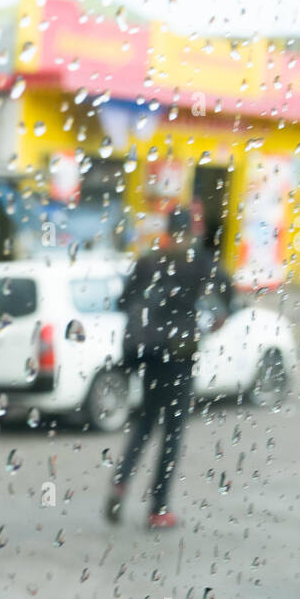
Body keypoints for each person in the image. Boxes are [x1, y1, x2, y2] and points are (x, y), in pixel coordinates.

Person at [106, 205, 233, 529]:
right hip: (180, 353)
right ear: (190, 230)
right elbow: (228, 293)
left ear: (166, 229)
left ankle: (121, 481)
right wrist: (216, 317)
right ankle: (158, 508)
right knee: (173, 431)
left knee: (146, 422)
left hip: (148, 353)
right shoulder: (201, 263)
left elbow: (123, 302)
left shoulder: (148, 261)